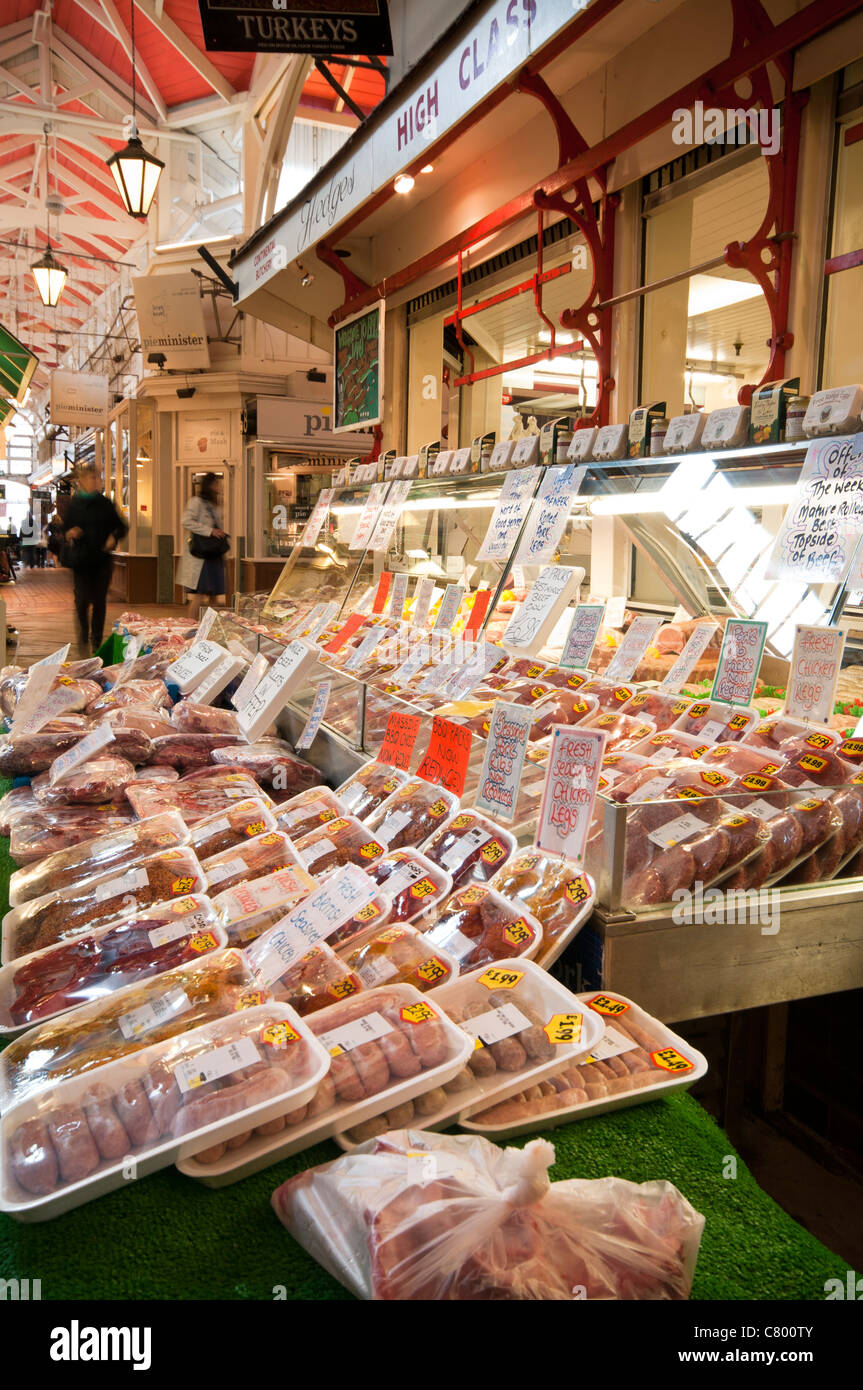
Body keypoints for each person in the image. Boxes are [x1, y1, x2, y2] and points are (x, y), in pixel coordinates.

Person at [63, 465, 128, 652]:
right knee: (82, 600)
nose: (96, 481)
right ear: (82, 481)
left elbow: (122, 526)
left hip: (101, 560)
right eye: (92, 478)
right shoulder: (75, 505)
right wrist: (70, 533)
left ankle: (96, 640)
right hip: (81, 561)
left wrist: (113, 537)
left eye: (97, 478)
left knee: (99, 601)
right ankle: (84, 632)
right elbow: (64, 530)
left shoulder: (105, 504)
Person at [180, 473, 228, 621]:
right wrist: (210, 531)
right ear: (210, 485)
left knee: (215, 594)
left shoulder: (217, 504)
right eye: (217, 483)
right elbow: (186, 521)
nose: (220, 487)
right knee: (200, 594)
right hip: (202, 555)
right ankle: (192, 625)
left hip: (215, 554)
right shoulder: (197, 502)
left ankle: (210, 626)